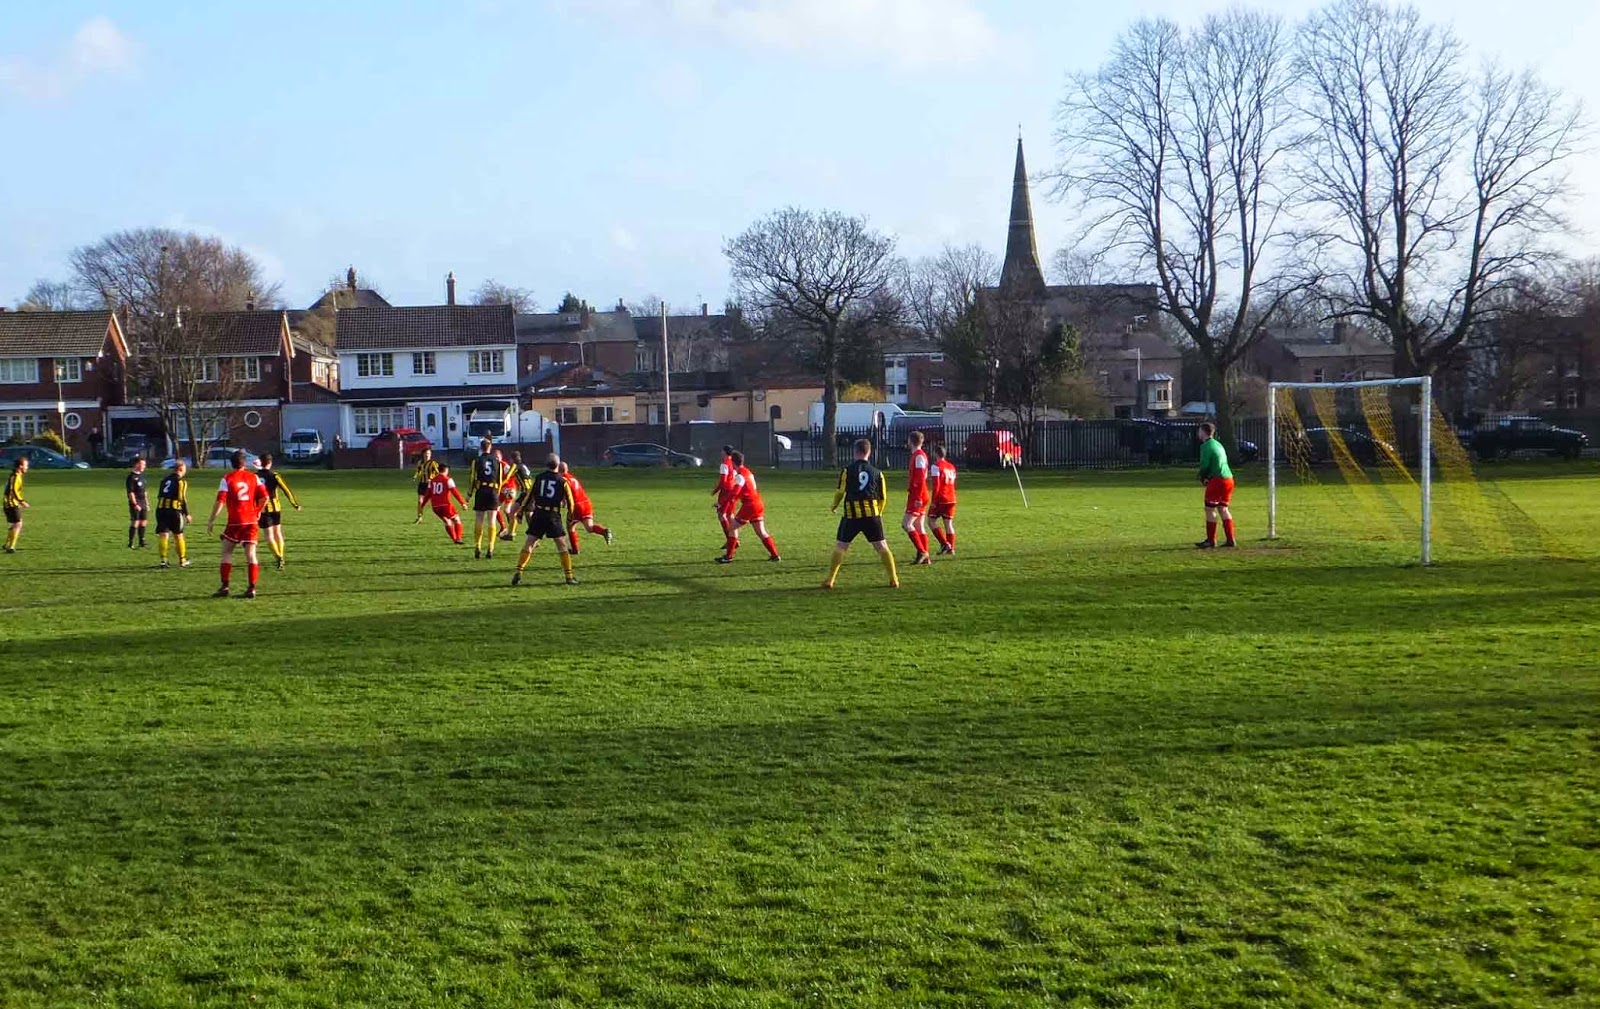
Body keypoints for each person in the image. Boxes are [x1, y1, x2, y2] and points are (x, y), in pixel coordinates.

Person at [822, 438, 899, 590]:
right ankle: (893, 579)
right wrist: (879, 512)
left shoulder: (847, 470)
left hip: (852, 515)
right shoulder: (878, 473)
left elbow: (840, 491)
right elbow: (883, 497)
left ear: (855, 451)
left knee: (841, 546)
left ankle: (830, 580)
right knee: (882, 546)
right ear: (869, 452)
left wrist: (834, 505)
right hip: (872, 514)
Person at [207, 449, 270, 597]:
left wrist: (212, 519)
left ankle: (225, 586)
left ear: (231, 463)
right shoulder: (253, 477)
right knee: (251, 555)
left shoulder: (227, 478)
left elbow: (220, 501)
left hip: (235, 522)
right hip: (251, 521)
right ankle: (252, 588)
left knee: (227, 551)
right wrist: (258, 511)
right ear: (244, 463)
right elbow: (265, 497)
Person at [512, 454, 578, 587]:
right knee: (562, 545)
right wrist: (571, 517)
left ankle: (519, 572)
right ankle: (569, 576)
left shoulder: (539, 478)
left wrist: (519, 513)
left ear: (546, 464)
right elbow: (571, 503)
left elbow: (528, 497)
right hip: (553, 515)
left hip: (539, 513)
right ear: (558, 465)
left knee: (529, 543)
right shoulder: (562, 481)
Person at [718, 450, 779, 563]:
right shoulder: (747, 472)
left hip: (750, 505)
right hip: (758, 503)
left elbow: (734, 493)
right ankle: (775, 555)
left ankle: (728, 557)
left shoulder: (740, 476)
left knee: (732, 528)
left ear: (732, 462)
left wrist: (723, 503)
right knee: (761, 531)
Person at [256, 454, 301, 570]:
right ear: (270, 463)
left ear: (260, 462)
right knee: (278, 533)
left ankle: (278, 557)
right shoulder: (275, 475)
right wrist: (295, 504)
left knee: (268, 536)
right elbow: (286, 490)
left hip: (263, 509)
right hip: (276, 508)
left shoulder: (255, 477)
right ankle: (281, 556)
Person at [1196, 421, 1237, 548]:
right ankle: (1230, 539)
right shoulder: (1218, 444)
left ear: (1203, 432)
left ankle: (1211, 540)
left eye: (1199, 431)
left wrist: (1202, 476)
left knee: (1209, 509)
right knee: (1223, 508)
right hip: (1229, 479)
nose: (1198, 433)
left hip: (1218, 480)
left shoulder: (1206, 446)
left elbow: (1205, 464)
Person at [560, 461, 612, 553]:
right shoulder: (572, 477)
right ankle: (604, 531)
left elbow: (565, 495)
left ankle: (575, 550)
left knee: (570, 527)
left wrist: (561, 503)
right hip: (586, 503)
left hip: (576, 506)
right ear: (567, 469)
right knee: (589, 527)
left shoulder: (562, 480)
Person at [467, 438, 503, 559]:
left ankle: (478, 545)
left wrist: (469, 494)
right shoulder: (497, 461)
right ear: (490, 447)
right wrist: (497, 493)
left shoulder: (476, 461)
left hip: (481, 491)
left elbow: (472, 478)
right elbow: (500, 480)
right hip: (492, 491)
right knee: (492, 520)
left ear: (481, 448)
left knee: (479, 519)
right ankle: (491, 547)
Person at [901, 431, 933, 565]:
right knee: (919, 525)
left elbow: (920, 477)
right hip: (920, 493)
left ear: (910, 441)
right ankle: (926, 557)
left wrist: (918, 496)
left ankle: (922, 551)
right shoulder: (918, 455)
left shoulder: (919, 456)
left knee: (906, 524)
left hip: (918, 494)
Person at [155, 459, 192, 569]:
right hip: (174, 511)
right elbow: (182, 499)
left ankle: (163, 560)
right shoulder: (181, 482)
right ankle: (182, 560)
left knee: (163, 534)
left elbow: (159, 495)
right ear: (181, 469)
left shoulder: (164, 480)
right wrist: (187, 514)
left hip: (161, 509)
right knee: (178, 535)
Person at [418, 463, 467, 544]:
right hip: (446, 505)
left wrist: (422, 505)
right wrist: (463, 503)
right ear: (446, 470)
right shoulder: (448, 479)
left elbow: (427, 495)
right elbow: (455, 492)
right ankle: (458, 538)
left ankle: (454, 539)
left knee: (447, 521)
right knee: (457, 520)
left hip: (435, 507)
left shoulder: (432, 481)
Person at [928, 445, 959, 555]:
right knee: (948, 524)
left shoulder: (936, 466)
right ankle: (951, 549)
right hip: (952, 498)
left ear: (935, 454)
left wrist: (933, 502)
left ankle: (945, 544)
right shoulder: (951, 467)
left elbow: (936, 486)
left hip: (941, 498)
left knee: (931, 521)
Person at [499, 450, 533, 541]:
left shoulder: (515, 466)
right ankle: (511, 534)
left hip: (527, 493)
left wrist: (499, 486)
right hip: (529, 492)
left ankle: (533, 536)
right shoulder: (523, 466)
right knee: (525, 514)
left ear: (512, 459)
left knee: (524, 514)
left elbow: (507, 477)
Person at [711, 444, 738, 541]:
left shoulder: (724, 464)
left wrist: (715, 490)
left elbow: (723, 480)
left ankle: (730, 539)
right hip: (734, 489)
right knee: (730, 515)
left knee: (721, 515)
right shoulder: (734, 462)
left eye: (722, 451)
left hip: (726, 491)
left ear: (724, 452)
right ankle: (735, 538)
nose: (721, 452)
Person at [3, 456, 28, 554]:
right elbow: (13, 491)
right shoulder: (16, 476)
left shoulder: (14, 475)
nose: (27, 468)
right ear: (20, 466)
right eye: (26, 466)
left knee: (14, 524)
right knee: (18, 524)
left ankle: (6, 544)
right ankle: (11, 547)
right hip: (11, 504)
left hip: (9, 503)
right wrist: (22, 501)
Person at [125, 456, 150, 549]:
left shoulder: (141, 477)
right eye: (142, 464)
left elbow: (145, 491)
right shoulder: (131, 477)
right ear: (137, 464)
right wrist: (135, 504)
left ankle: (142, 541)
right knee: (135, 522)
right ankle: (130, 542)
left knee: (143, 522)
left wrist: (147, 503)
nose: (144, 466)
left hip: (143, 501)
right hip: (136, 502)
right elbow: (130, 492)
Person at [412, 447, 440, 521]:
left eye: (428, 454)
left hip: (430, 485)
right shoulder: (420, 462)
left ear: (430, 455)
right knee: (420, 501)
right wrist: (415, 476)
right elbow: (418, 471)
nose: (427, 455)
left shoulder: (433, 463)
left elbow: (438, 473)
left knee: (434, 502)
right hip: (422, 484)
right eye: (426, 453)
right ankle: (419, 517)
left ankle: (441, 515)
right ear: (423, 454)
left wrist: (433, 479)